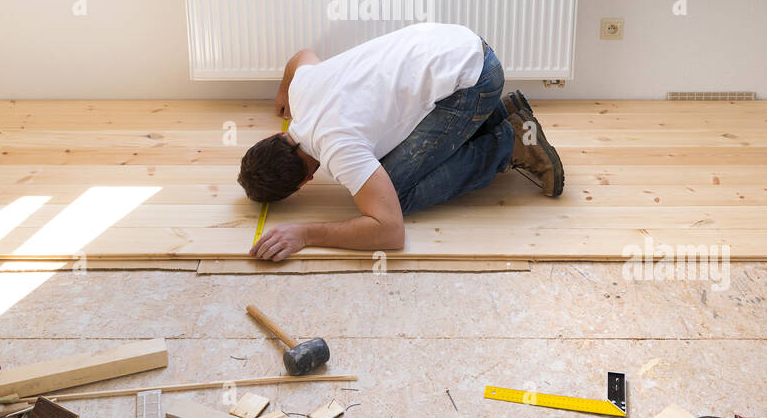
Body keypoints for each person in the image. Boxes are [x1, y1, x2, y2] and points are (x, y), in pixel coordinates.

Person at [240, 22, 564, 261]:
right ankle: (498, 116)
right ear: (276, 135)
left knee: (395, 193)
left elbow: (390, 231)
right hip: (458, 41)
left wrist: (306, 233)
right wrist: (284, 90)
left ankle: (508, 144)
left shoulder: (339, 150)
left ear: (304, 182)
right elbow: (302, 56)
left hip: (475, 80)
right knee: (384, 172)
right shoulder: (301, 87)